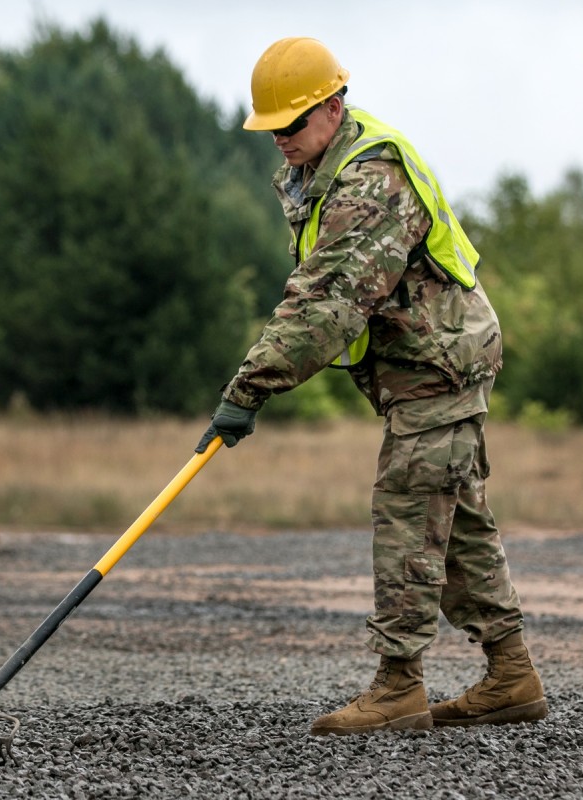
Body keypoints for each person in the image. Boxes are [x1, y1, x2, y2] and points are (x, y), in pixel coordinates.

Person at [196, 37, 547, 736]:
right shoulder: (313, 174)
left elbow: (329, 301)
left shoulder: (372, 180)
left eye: (290, 127)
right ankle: (511, 676)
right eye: (270, 131)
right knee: (456, 527)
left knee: (409, 513)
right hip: (412, 369)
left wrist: (250, 388)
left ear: (332, 107)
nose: (280, 143)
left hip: (436, 368)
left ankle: (398, 687)